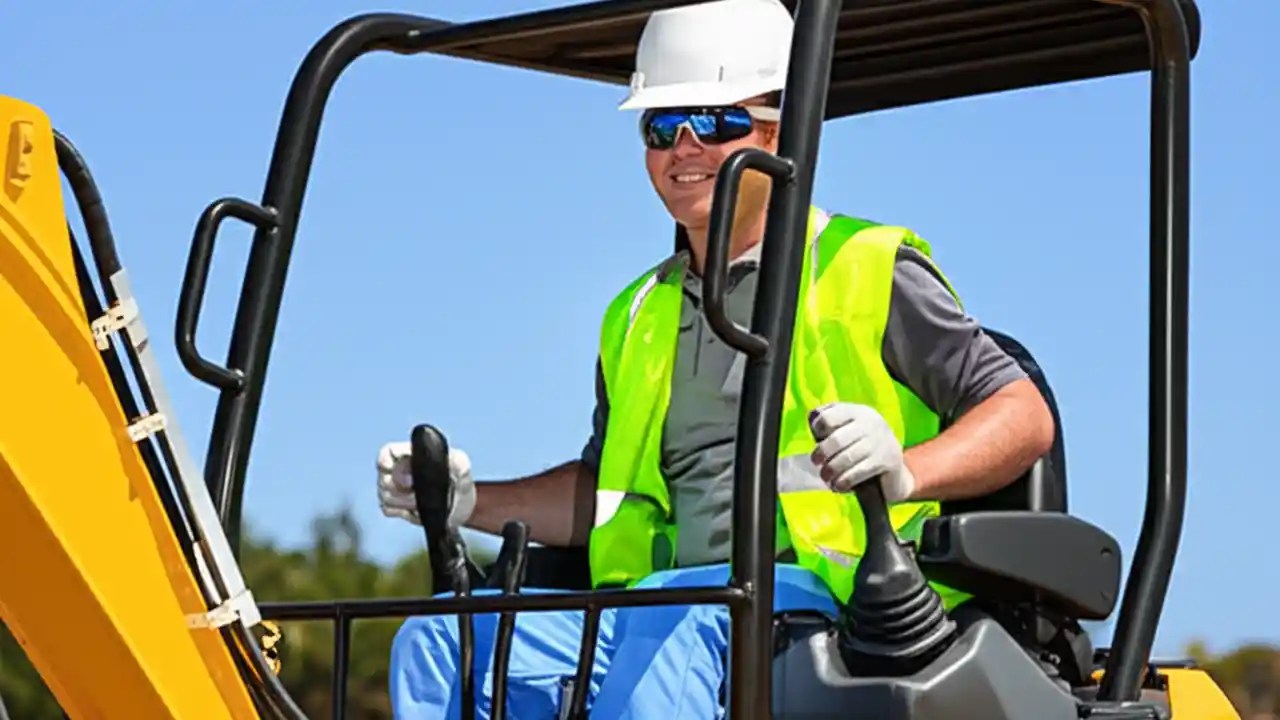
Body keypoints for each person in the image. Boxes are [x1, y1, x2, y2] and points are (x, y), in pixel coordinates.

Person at [378, 0, 1055, 716]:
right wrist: (468, 503)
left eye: (714, 121)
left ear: (777, 131)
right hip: (656, 602)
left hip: (822, 602)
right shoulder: (637, 314)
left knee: (671, 644)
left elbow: (1023, 414)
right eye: (662, 127)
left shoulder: (866, 268)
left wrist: (906, 472)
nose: (685, 148)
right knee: (441, 641)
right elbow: (605, 492)